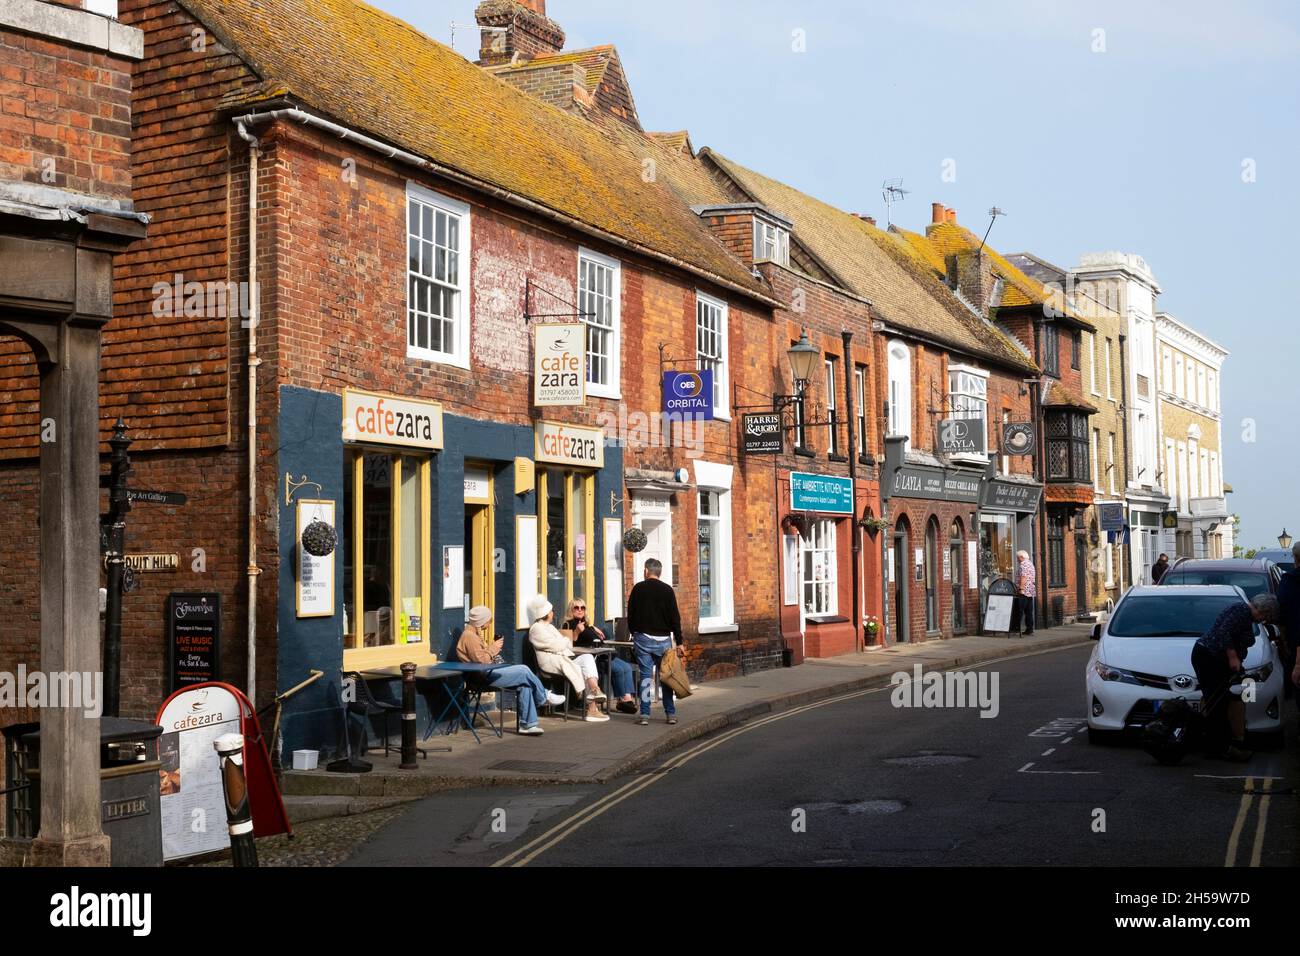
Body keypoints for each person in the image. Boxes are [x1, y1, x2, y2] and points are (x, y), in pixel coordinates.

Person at [1192, 592, 1279, 761]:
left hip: (1217, 660)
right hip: (1210, 658)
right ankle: (1220, 748)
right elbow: (1224, 632)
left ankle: (1221, 744)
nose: (1264, 620)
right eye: (1264, 615)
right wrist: (1232, 657)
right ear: (1260, 608)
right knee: (1217, 702)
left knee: (1222, 699)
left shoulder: (1245, 615)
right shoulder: (1241, 611)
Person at [455, 605, 565, 736]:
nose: (489, 624)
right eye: (489, 621)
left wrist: (492, 651)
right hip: (482, 677)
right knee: (524, 670)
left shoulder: (474, 634)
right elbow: (481, 661)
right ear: (481, 621)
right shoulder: (469, 636)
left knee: (525, 684)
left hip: (488, 672)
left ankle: (527, 725)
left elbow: (481, 657)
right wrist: (493, 649)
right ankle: (543, 696)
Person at [526, 594, 609, 722]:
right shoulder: (536, 629)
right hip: (551, 662)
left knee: (587, 658)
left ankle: (595, 691)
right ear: (546, 613)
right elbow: (557, 645)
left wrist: (565, 641)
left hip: (562, 658)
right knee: (583, 668)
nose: (553, 613)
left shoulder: (549, 627)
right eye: (551, 611)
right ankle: (593, 708)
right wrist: (565, 641)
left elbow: (566, 644)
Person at [626, 558, 684, 726]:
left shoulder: (638, 589)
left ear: (646, 571)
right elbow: (675, 618)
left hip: (643, 638)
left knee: (645, 677)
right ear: (659, 572)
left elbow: (631, 615)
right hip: (664, 641)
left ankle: (645, 714)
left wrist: (635, 632)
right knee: (666, 677)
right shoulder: (667, 590)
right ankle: (670, 714)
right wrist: (679, 642)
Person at [561, 597, 637, 714]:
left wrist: (592, 628)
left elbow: (590, 633)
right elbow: (570, 644)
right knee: (618, 669)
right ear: (571, 610)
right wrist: (576, 631)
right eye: (576, 608)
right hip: (591, 658)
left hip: (603, 653)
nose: (580, 610)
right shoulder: (568, 624)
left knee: (626, 667)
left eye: (583, 608)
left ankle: (626, 700)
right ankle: (622, 699)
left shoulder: (585, 624)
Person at [1275, 542, 1300, 722]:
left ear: (1294, 558)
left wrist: (1282, 639)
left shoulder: (1290, 580)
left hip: (1294, 637)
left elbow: (1281, 609)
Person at [1014, 550, 1036, 636]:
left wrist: (1021, 588)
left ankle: (1016, 628)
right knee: (1029, 611)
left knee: (1019, 610)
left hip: (1024, 591)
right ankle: (1029, 629)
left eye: (1018, 557)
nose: (1017, 559)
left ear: (1021, 557)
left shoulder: (1023, 565)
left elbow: (1024, 577)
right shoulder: (1030, 564)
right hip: (1030, 591)